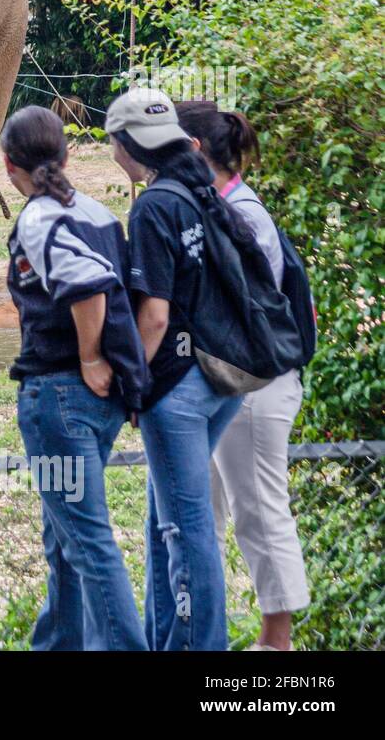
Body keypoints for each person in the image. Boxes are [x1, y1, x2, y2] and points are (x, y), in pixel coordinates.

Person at [106, 87, 253, 651]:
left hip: (178, 392)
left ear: (126, 143)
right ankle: (169, 639)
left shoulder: (153, 207)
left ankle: (198, 649)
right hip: (222, 382)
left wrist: (131, 390)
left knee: (187, 532)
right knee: (165, 521)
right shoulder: (201, 191)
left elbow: (154, 318)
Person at [1, 106, 149, 650]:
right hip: (100, 403)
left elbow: (88, 285)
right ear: (66, 156)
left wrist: (89, 355)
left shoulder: (42, 218)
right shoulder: (100, 213)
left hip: (60, 396)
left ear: (8, 164)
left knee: (87, 544)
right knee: (63, 540)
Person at [176, 99, 309, 650]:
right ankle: (203, 635)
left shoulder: (241, 213)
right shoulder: (219, 204)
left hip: (254, 385)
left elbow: (241, 310)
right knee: (202, 514)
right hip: (226, 386)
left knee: (258, 510)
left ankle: (276, 645)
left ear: (192, 150)